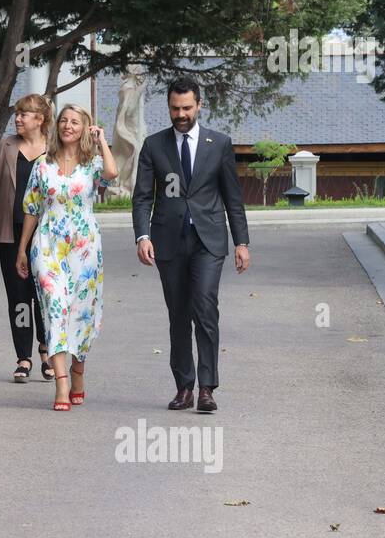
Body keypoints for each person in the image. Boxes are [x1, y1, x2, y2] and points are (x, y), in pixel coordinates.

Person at [132, 77, 250, 413]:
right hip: (168, 243)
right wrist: (142, 236)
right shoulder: (154, 145)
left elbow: (233, 198)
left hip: (208, 242)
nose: (181, 114)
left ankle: (207, 388)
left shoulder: (220, 143)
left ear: (198, 105)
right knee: (179, 314)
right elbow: (142, 197)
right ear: (168, 108)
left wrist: (241, 241)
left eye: (186, 108)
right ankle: (184, 387)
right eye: (175, 108)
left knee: (205, 307)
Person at [17, 104, 118, 411]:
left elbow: (113, 174)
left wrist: (100, 140)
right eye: (63, 120)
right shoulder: (43, 164)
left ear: (85, 127)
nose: (68, 126)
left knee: (81, 314)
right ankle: (61, 382)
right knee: (54, 306)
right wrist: (22, 248)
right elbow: (32, 208)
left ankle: (78, 372)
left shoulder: (92, 164)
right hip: (48, 245)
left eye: (75, 122)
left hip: (84, 251)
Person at [0, 93, 55, 383]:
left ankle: (46, 351)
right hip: (12, 233)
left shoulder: (56, 148)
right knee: (19, 298)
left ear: (41, 119)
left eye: (24, 114)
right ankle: (23, 356)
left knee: (45, 296)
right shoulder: (7, 146)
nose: (18, 118)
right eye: (18, 114)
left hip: (47, 235)